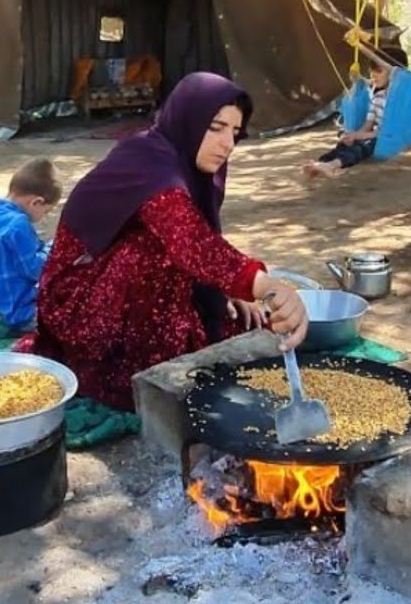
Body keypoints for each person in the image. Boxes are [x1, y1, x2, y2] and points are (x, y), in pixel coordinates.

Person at [23, 72, 309, 411]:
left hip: (130, 291)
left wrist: (231, 287)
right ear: (188, 119)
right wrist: (263, 284)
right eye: (215, 127)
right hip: (77, 301)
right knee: (153, 253)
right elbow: (188, 241)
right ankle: (138, 376)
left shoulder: (190, 165)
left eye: (235, 132)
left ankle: (176, 348)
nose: (227, 144)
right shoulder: (147, 162)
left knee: (237, 320)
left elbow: (202, 238)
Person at [0, 158, 63, 333]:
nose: (45, 216)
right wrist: (53, 247)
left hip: (7, 308)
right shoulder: (19, 224)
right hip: (27, 313)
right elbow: (35, 269)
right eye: (47, 211)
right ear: (36, 202)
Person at [303, 48, 408, 178]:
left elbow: (390, 130)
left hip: (386, 138)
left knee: (360, 147)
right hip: (372, 135)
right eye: (371, 71)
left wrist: (361, 136)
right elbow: (369, 123)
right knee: (346, 143)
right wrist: (354, 135)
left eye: (378, 71)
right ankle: (321, 163)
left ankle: (333, 165)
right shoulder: (378, 96)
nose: (373, 75)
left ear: (395, 74)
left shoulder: (401, 101)